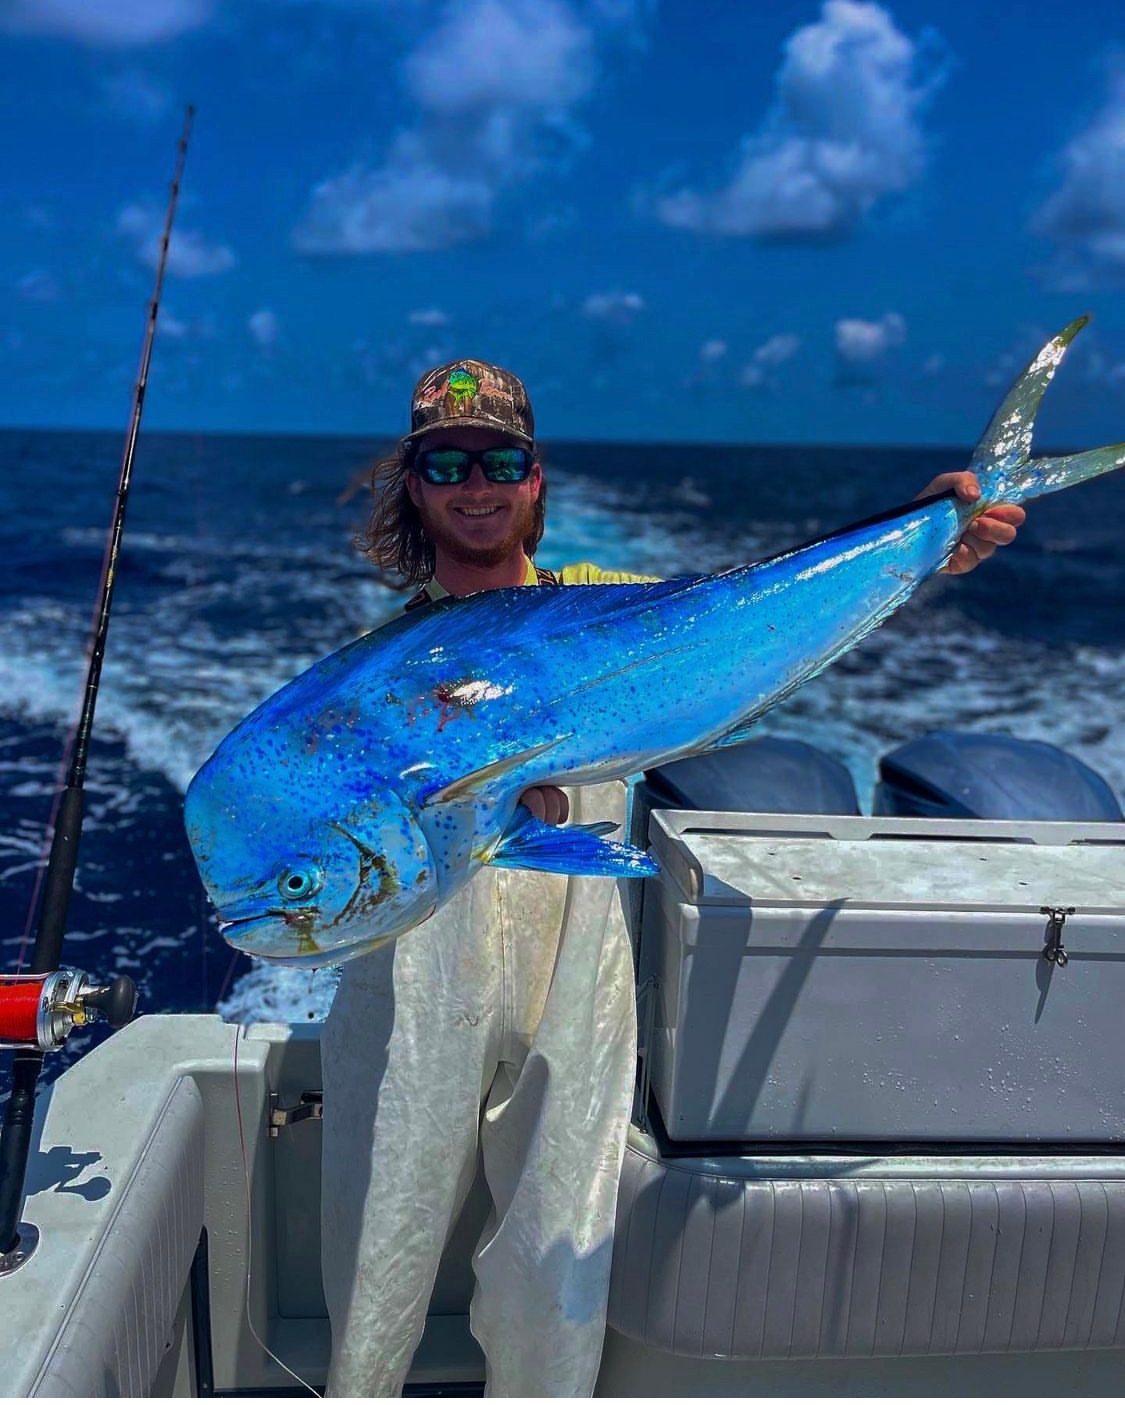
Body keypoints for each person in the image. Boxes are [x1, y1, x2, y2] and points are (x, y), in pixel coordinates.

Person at [319, 358, 1024, 1398]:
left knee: (560, 1254)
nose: (477, 483)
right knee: (380, 1242)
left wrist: (917, 543)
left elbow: (752, 621)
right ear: (415, 485)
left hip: (577, 958)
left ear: (536, 478)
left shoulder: (615, 610)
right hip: (420, 971)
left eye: (500, 459)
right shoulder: (378, 662)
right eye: (448, 462)